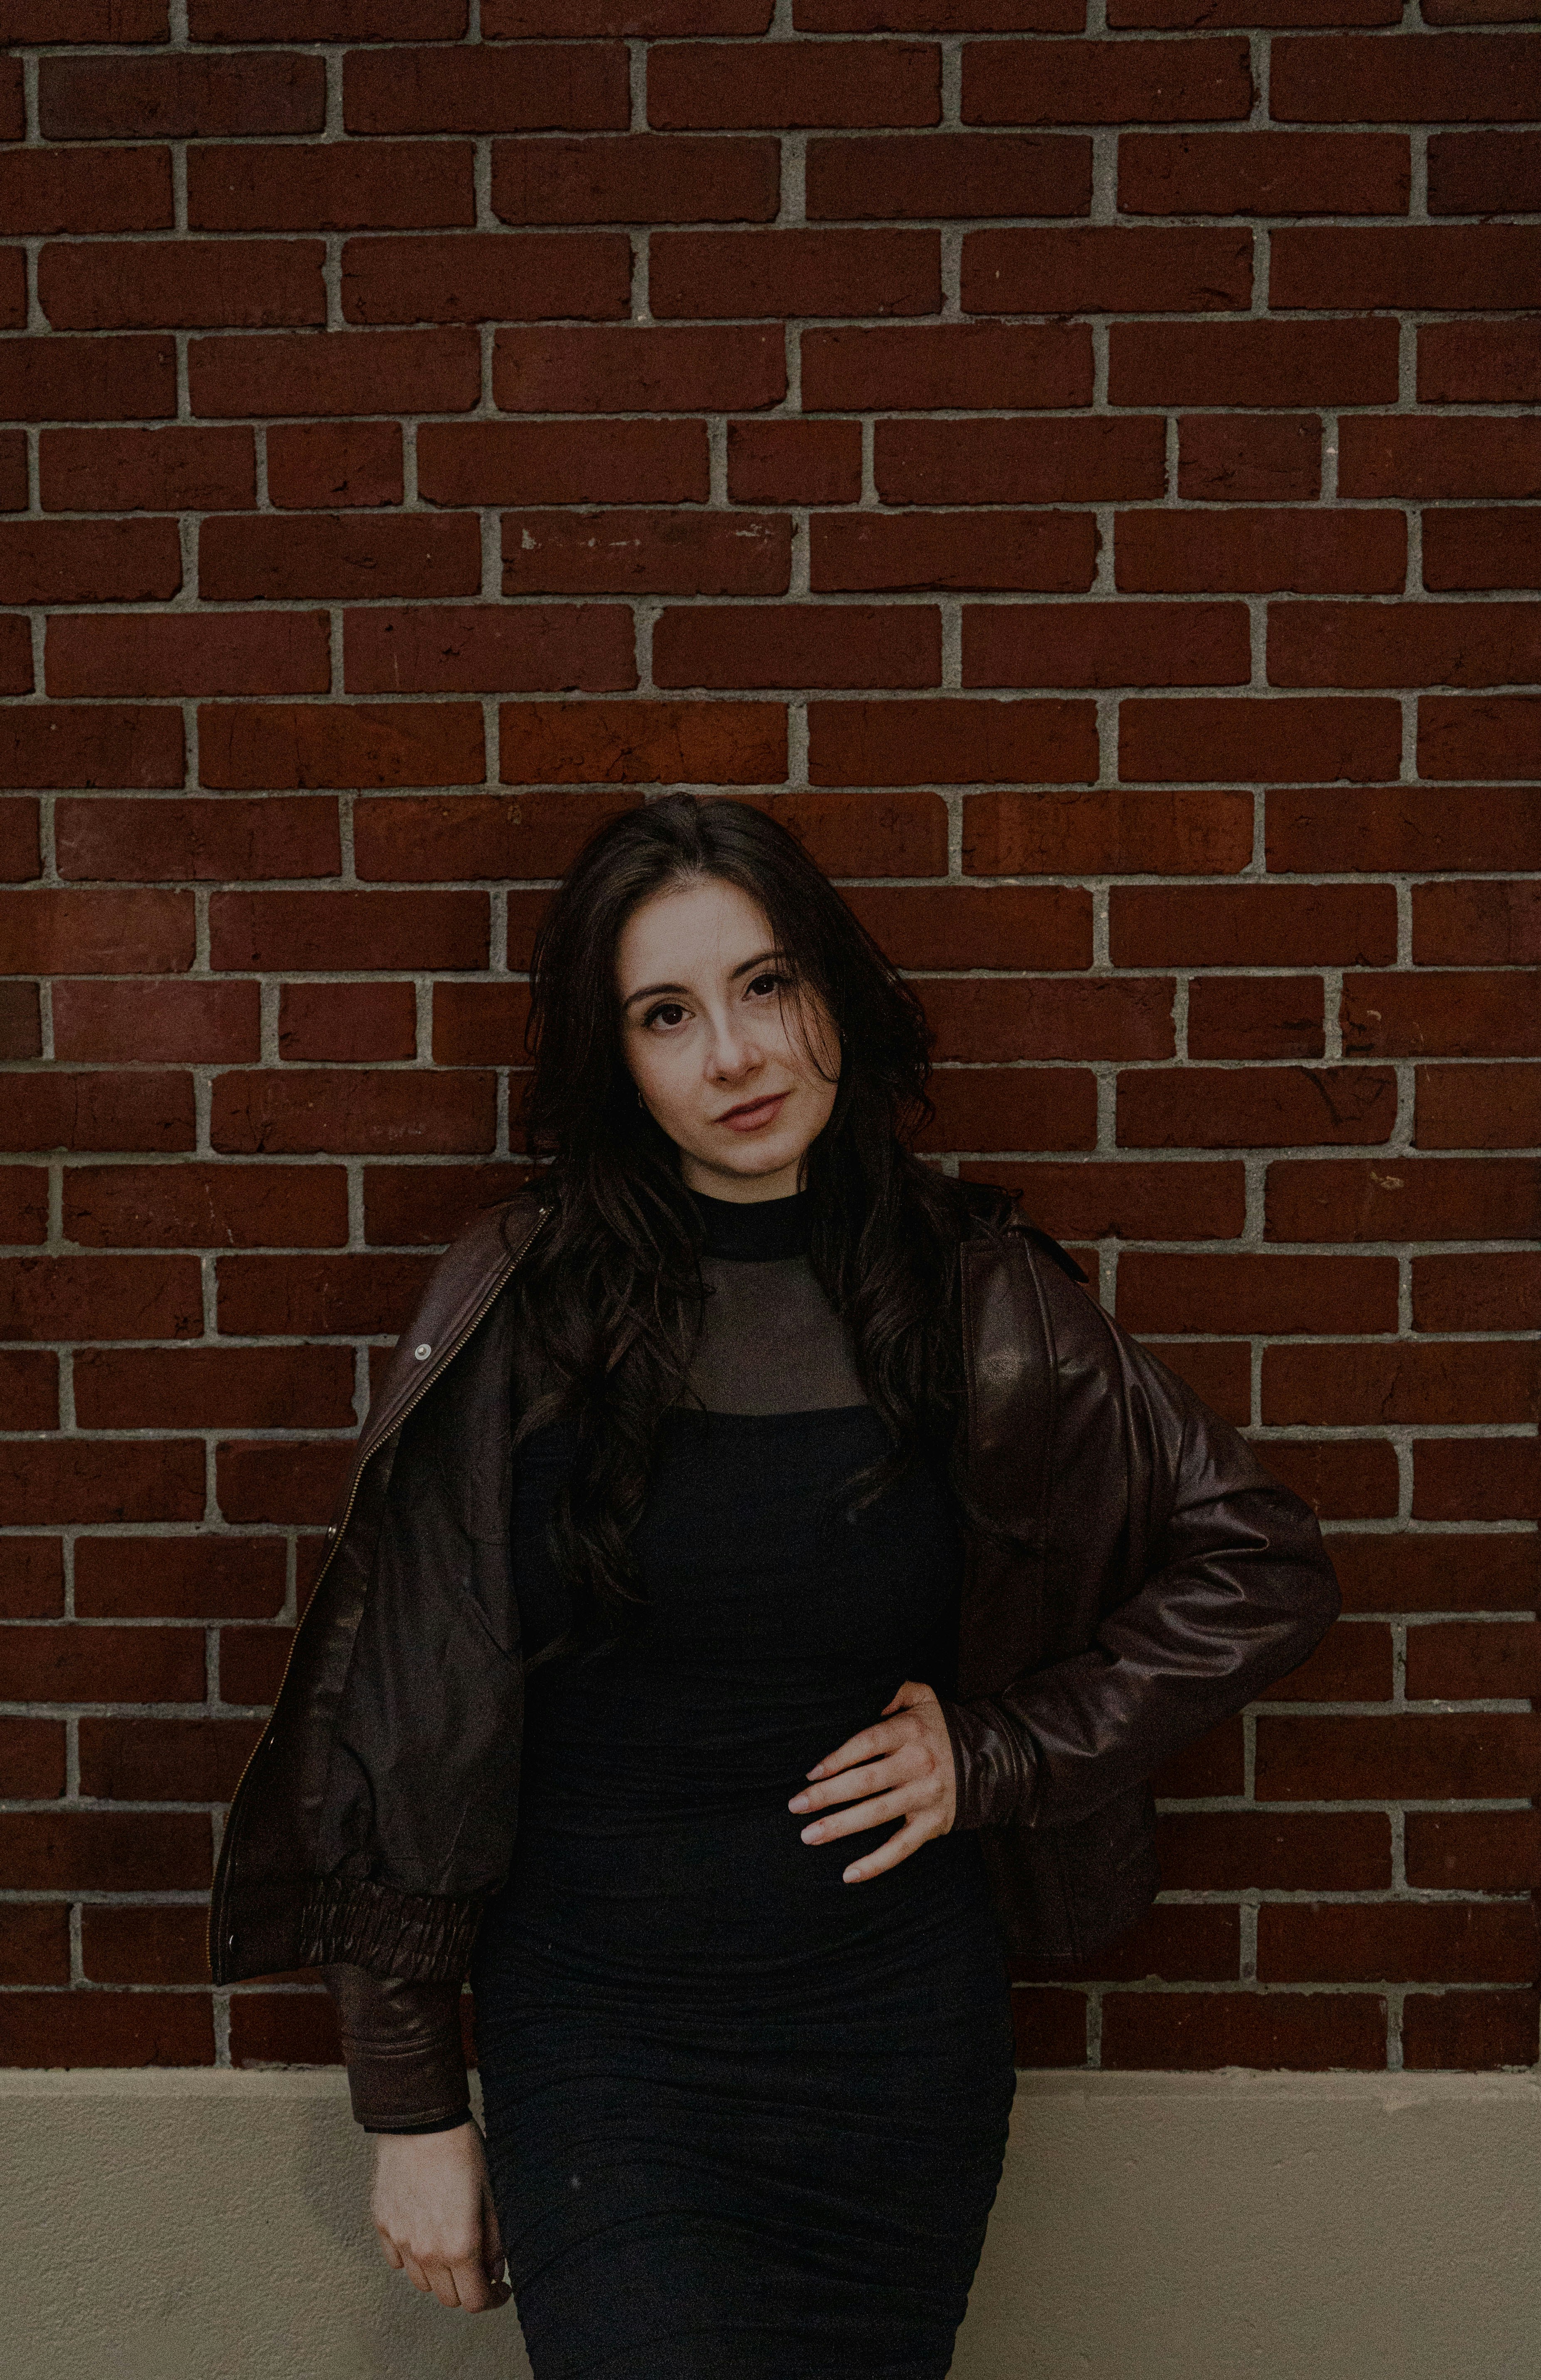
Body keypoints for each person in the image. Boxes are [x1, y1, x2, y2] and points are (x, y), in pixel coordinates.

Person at [208, 794, 1339, 2378]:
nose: (734, 1056)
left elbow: (1261, 1561)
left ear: (834, 996)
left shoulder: (977, 1296)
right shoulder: (522, 1312)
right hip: (602, 2040)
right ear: (619, 1062)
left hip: (889, 2045)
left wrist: (1003, 1751)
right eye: (667, 1015)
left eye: (766, 986)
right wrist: (410, 2102)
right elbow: (411, 1714)